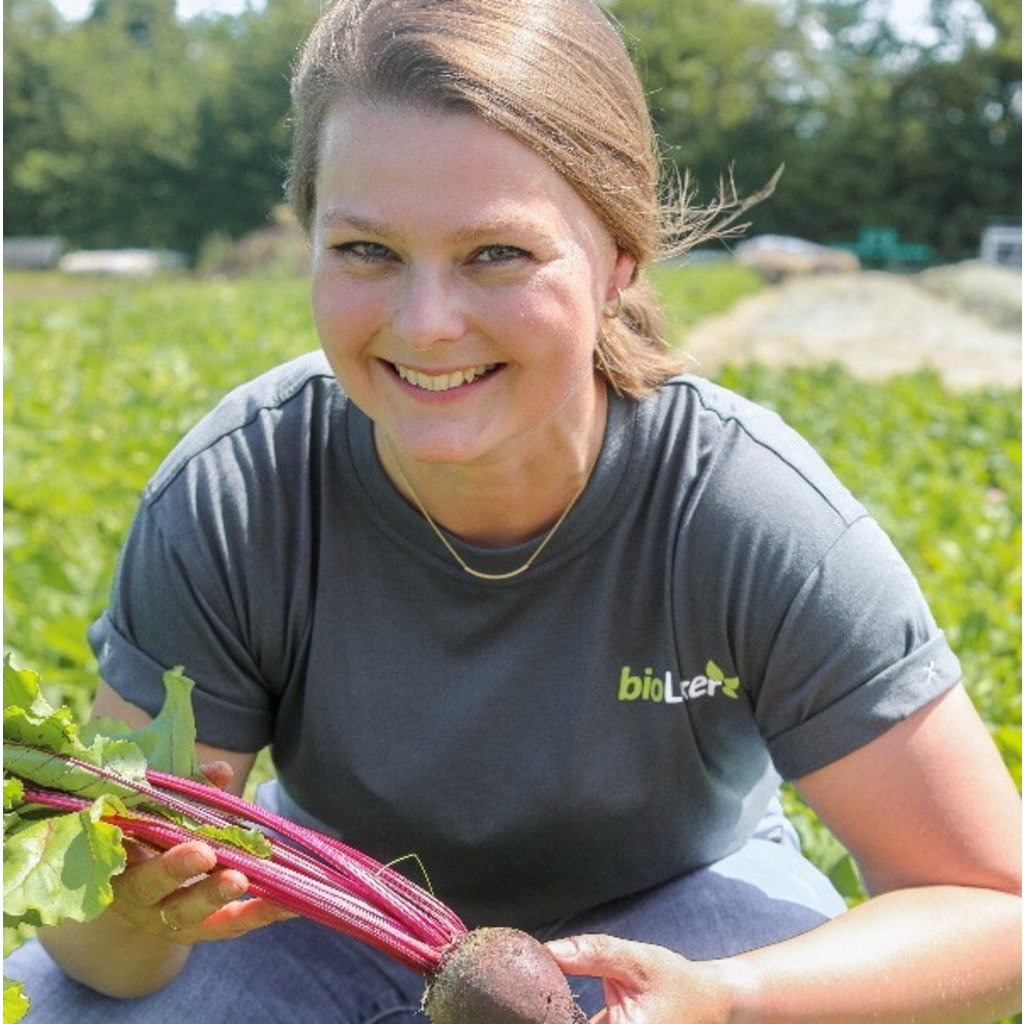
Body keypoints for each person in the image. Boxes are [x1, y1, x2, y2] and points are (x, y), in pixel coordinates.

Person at [6, 0, 1020, 1020]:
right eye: (366, 250)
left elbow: (996, 904)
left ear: (620, 257)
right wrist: (138, 914)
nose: (426, 324)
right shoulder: (241, 492)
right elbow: (106, 965)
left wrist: (731, 997)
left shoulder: (742, 510)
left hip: (683, 909)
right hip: (327, 910)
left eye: (497, 253)